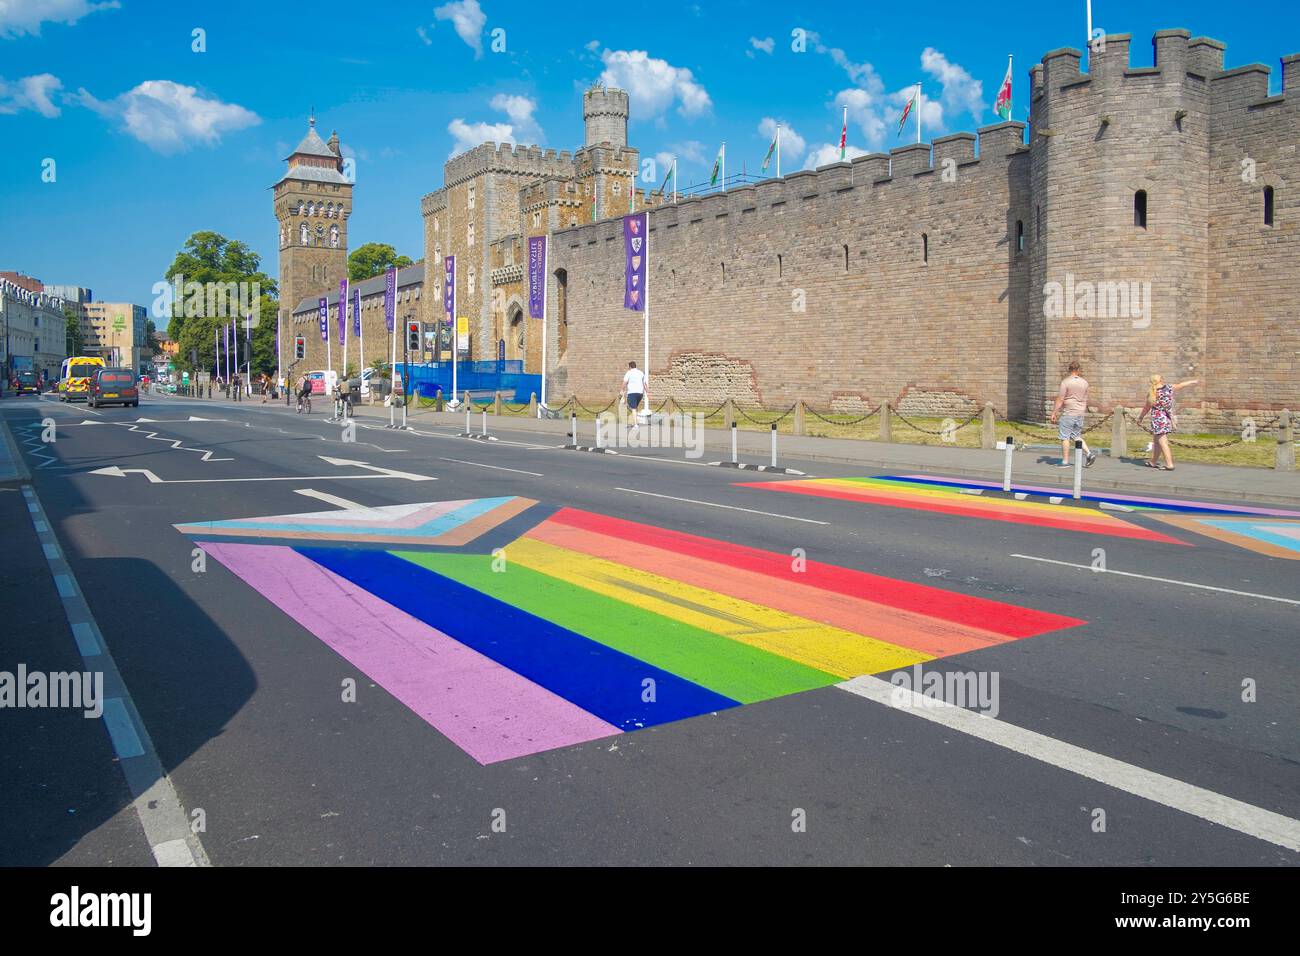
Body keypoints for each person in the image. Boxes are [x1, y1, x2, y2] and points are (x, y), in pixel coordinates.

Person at [1137, 374, 1197, 471]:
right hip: (1165, 418)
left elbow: (1146, 407)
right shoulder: (1169, 388)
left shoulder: (1152, 392)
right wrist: (1191, 382)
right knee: (1157, 442)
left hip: (1157, 419)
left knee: (1163, 442)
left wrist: (1140, 418)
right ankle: (1153, 462)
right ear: (1161, 380)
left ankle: (1169, 464)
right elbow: (1180, 385)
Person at [1049, 361, 1097, 468]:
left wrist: (1054, 412)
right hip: (1080, 413)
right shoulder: (1085, 383)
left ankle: (1065, 461)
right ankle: (1089, 453)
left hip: (1069, 412)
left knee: (1064, 437)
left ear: (1069, 369)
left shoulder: (1066, 382)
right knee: (1076, 436)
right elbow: (1085, 397)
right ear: (1079, 370)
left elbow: (1061, 398)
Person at [621, 360, 647, 431]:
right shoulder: (641, 373)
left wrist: (622, 391)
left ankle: (636, 425)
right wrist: (648, 393)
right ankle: (635, 421)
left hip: (632, 393)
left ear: (629, 367)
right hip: (640, 393)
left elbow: (624, 383)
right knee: (634, 407)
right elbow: (644, 384)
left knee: (633, 408)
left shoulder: (629, 373)